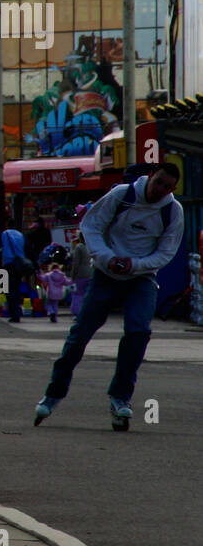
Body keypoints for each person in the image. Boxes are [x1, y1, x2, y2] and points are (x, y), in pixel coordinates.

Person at [34, 163, 184, 428]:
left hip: (142, 277)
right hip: (106, 274)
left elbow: (166, 252)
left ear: (172, 189)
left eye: (166, 187)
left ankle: (120, 398)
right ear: (150, 177)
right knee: (80, 334)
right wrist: (108, 258)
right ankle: (53, 394)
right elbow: (91, 226)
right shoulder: (122, 195)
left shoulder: (173, 211)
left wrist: (135, 265)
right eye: (158, 182)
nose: (159, 190)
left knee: (138, 332)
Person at [0, 216, 29, 323]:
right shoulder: (21, 235)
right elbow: (27, 249)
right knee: (17, 289)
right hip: (19, 265)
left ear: (7, 225)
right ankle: (17, 312)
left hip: (8, 264)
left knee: (9, 290)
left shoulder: (4, 234)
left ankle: (14, 314)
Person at [69, 233, 92, 315]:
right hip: (90, 273)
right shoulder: (90, 246)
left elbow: (76, 263)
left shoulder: (79, 247)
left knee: (78, 294)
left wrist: (73, 275)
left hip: (81, 274)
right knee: (87, 294)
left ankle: (77, 312)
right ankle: (88, 312)